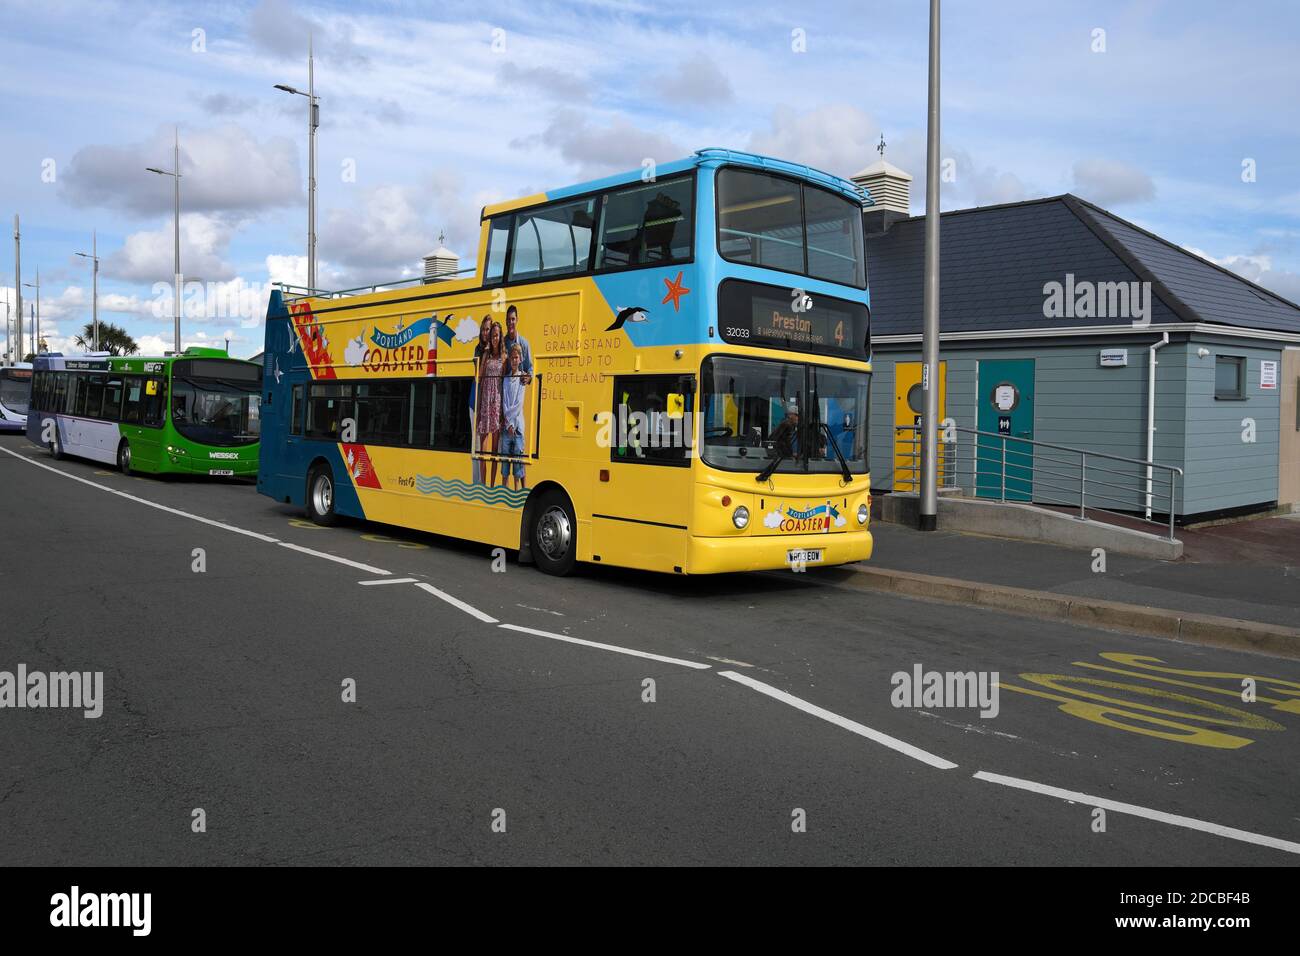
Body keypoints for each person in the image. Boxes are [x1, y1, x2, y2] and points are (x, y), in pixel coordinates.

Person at [476, 320, 505, 487]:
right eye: (493, 335)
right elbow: (479, 377)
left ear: (500, 337)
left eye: (497, 335)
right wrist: (485, 354)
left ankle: (492, 486)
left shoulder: (504, 357)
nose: (494, 338)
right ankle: (482, 484)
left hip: (497, 403)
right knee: (482, 450)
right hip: (486, 402)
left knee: (494, 451)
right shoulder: (486, 355)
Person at [499, 343, 527, 490]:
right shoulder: (506, 379)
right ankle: (504, 495)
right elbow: (505, 403)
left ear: (520, 359)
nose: (514, 361)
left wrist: (512, 424)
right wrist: (508, 424)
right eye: (512, 358)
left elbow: (518, 404)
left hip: (518, 429)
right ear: (509, 359)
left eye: (517, 358)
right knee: (505, 469)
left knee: (517, 468)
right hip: (506, 429)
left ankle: (516, 495)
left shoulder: (522, 378)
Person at [503, 305, 533, 384]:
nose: (510, 322)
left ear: (517, 320)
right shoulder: (502, 344)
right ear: (506, 321)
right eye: (509, 319)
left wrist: (528, 378)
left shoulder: (524, 344)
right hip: (504, 389)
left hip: (518, 388)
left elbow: (529, 368)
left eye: (513, 319)